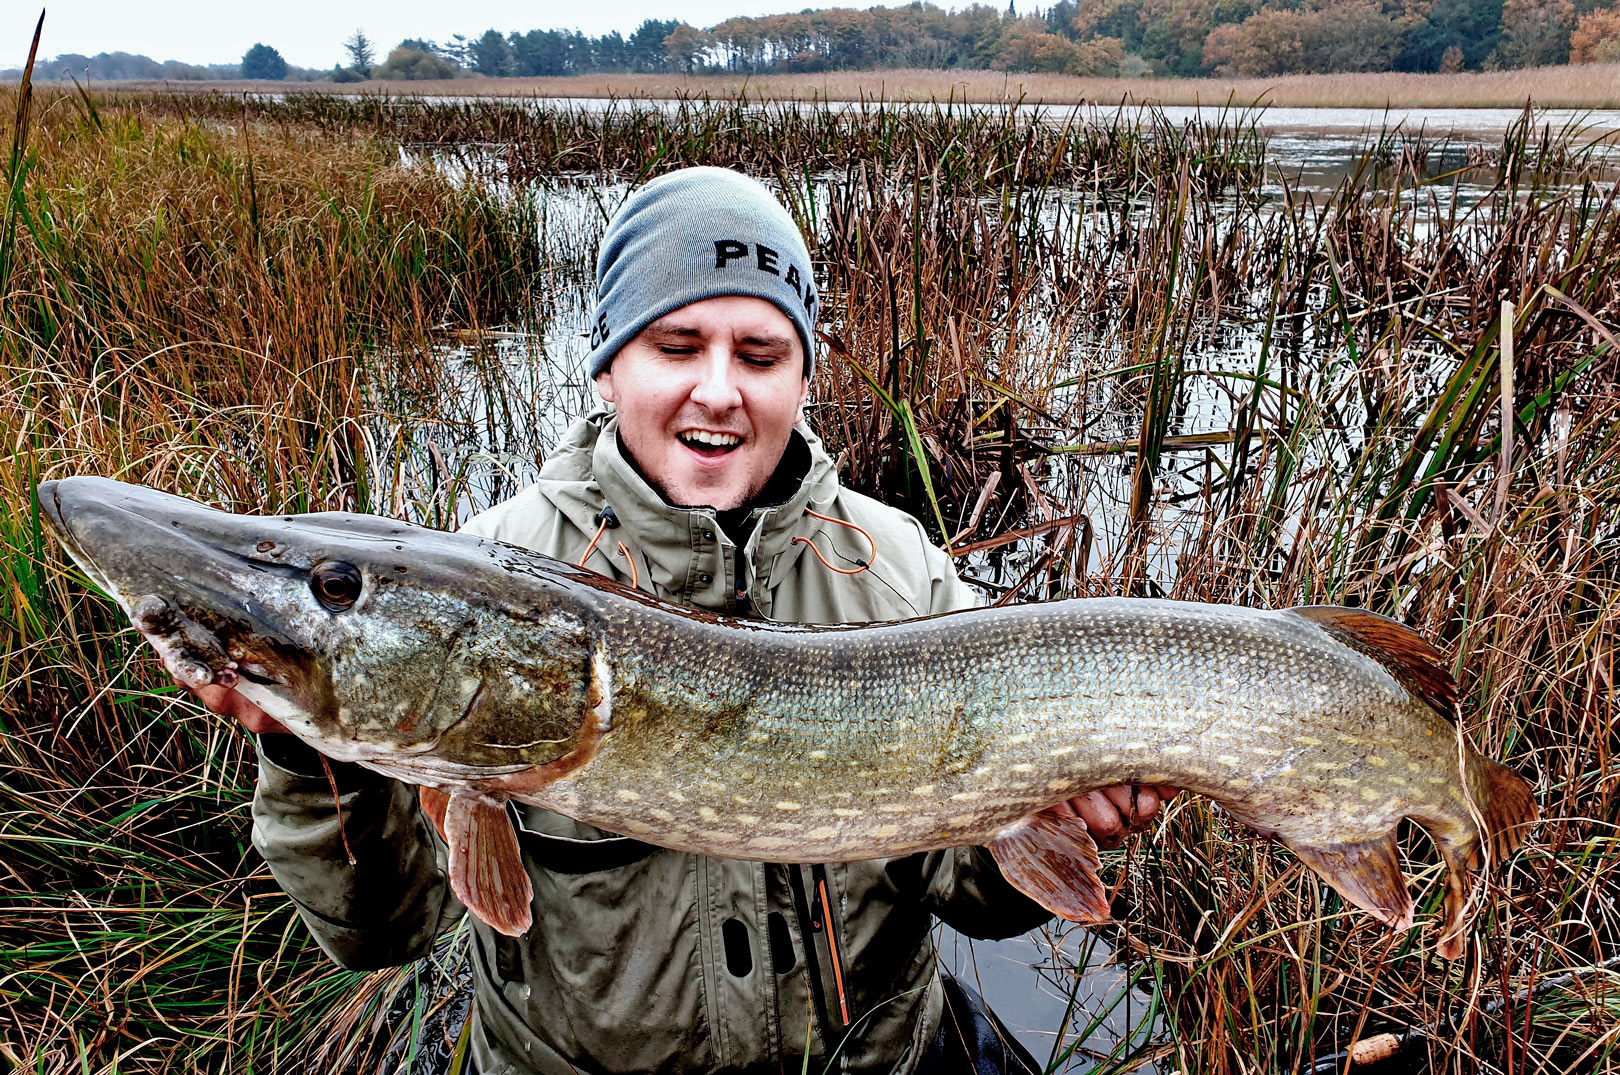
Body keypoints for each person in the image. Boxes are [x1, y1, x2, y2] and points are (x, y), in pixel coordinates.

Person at [204, 167, 1174, 1075]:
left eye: (760, 354)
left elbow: (972, 895)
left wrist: (1062, 812)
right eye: (676, 347)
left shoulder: (899, 570)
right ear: (607, 367)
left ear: (802, 380)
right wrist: (307, 754)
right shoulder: (494, 572)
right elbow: (385, 933)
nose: (718, 389)